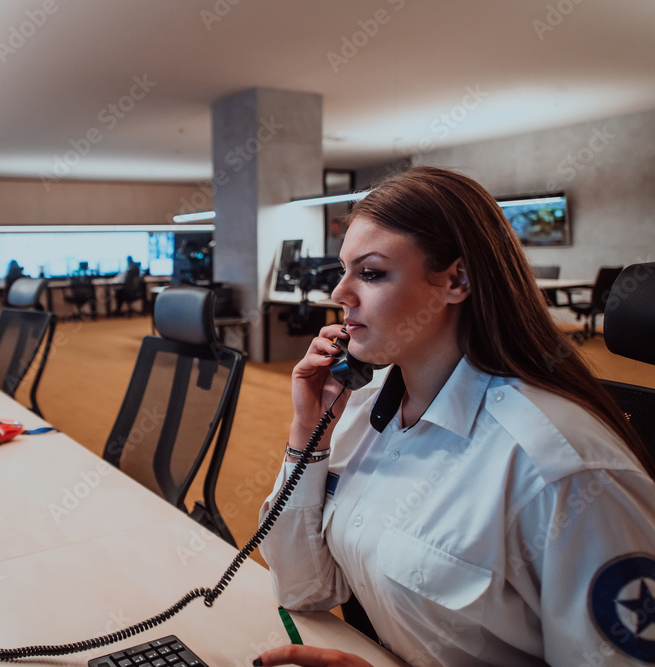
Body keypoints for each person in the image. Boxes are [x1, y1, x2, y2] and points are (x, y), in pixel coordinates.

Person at [254, 167, 655, 667]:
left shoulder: (561, 469)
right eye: (344, 270)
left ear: (457, 280)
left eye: (372, 273)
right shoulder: (360, 404)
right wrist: (308, 437)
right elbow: (302, 588)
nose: (340, 294)